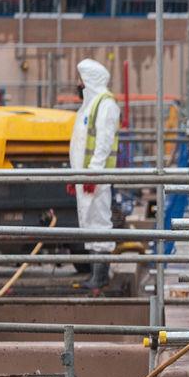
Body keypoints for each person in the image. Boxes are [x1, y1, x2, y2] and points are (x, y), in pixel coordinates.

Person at [69, 59, 120, 291]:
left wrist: (93, 174)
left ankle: (100, 276)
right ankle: (95, 274)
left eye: (80, 79)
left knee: (99, 221)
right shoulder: (89, 106)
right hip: (86, 177)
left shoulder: (106, 105)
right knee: (88, 222)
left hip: (95, 179)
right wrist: (76, 176)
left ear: (89, 80)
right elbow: (81, 144)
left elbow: (103, 143)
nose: (78, 84)